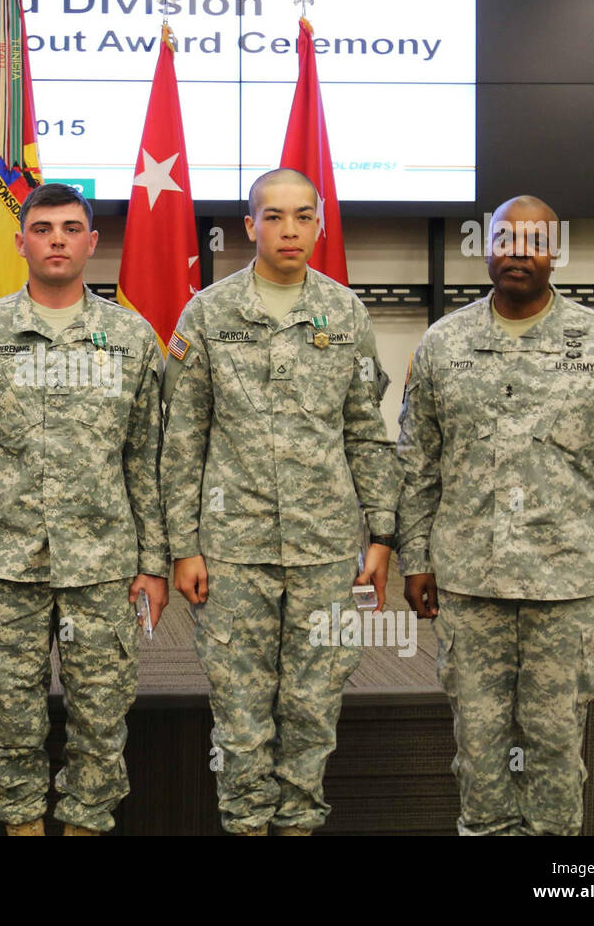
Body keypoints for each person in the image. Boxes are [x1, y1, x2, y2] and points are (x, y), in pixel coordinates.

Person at [397, 195, 594, 835]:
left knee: (554, 750)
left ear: (555, 252)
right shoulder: (444, 344)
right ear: (485, 246)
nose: (518, 250)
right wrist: (416, 558)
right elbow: (416, 463)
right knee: (479, 751)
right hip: (471, 583)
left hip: (565, 586)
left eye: (534, 240)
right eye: (505, 238)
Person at [160, 167, 400, 836]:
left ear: (320, 225)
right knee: (239, 719)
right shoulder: (208, 313)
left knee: (313, 711)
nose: (288, 229)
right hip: (233, 553)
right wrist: (184, 546)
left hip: (326, 552)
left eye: (302, 216)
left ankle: (296, 827)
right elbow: (182, 438)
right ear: (249, 226)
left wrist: (381, 535)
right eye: (273, 216)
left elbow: (364, 429)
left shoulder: (346, 313)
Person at [0, 182, 168, 836]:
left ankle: (87, 827)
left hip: (104, 568)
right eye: (42, 228)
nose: (56, 239)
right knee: (10, 724)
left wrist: (154, 565)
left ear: (92, 242)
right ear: (20, 241)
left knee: (99, 722)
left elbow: (146, 460)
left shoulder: (131, 336)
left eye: (69, 228)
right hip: (2, 567)